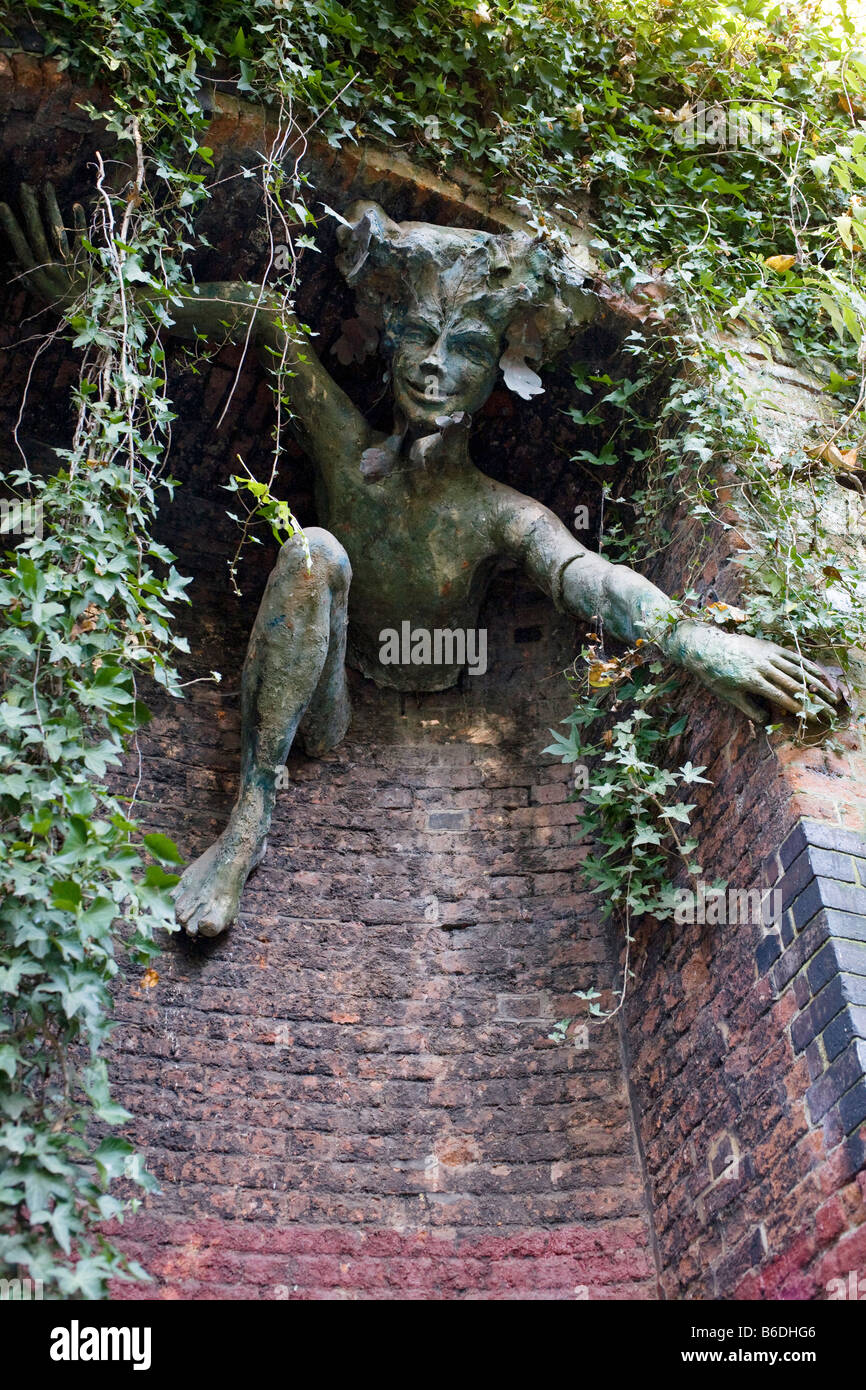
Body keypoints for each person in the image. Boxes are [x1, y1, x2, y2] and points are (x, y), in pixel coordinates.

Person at [0, 188, 839, 937]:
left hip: (428, 687)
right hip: (326, 682)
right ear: (393, 345)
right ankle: (247, 823)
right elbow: (262, 320)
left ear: (494, 374)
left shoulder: (497, 511)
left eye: (467, 347)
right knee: (314, 550)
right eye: (415, 336)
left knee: (329, 551)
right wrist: (109, 298)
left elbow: (590, 578)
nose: (436, 363)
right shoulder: (344, 447)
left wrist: (697, 641)